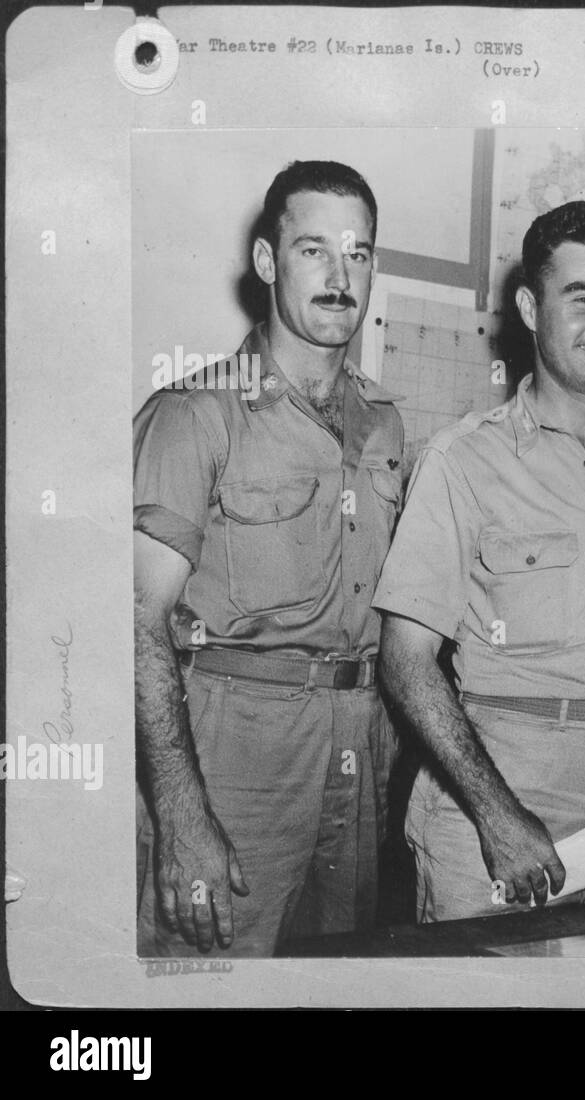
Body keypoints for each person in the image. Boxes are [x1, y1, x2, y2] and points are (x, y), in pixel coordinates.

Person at [375, 201, 585, 921]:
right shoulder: (462, 461)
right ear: (529, 307)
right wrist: (496, 815)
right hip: (509, 804)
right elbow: (405, 662)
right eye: (582, 299)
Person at [134, 161, 403, 955]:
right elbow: (134, 621)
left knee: (334, 976)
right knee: (213, 979)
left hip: (359, 751)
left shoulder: (384, 422)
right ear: (266, 263)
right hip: (235, 757)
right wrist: (183, 814)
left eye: (356, 254)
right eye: (313, 250)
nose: (337, 275)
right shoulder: (194, 413)